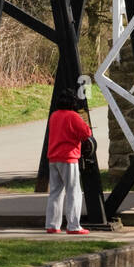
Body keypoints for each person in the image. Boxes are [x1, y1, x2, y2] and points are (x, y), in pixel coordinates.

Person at [45, 88, 92, 235]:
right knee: (74, 192)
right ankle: (73, 226)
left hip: (53, 158)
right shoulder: (73, 116)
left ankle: (52, 225)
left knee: (55, 192)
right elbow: (86, 133)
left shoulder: (54, 116)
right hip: (69, 158)